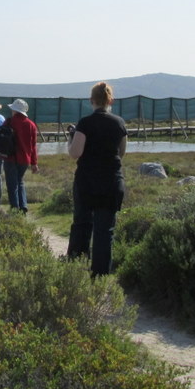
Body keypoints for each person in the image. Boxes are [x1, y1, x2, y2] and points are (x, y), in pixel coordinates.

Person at [66, 82, 127, 276]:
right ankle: (100, 275)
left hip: (87, 181)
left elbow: (75, 153)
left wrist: (70, 139)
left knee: (82, 224)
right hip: (111, 181)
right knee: (105, 231)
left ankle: (75, 269)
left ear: (91, 100)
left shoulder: (85, 123)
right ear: (111, 100)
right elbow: (122, 152)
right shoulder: (119, 123)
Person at [2, 98, 39, 213]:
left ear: (14, 110)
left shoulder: (9, 122)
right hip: (25, 159)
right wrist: (34, 163)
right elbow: (33, 146)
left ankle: (15, 209)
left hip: (10, 157)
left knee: (12, 185)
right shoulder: (31, 125)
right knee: (20, 181)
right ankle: (23, 206)